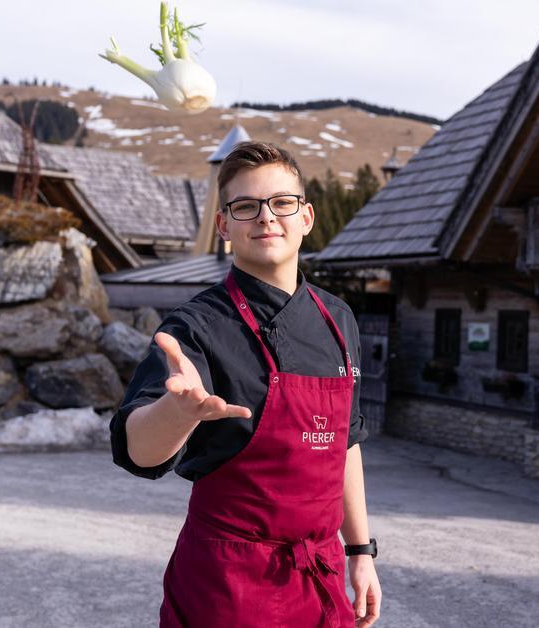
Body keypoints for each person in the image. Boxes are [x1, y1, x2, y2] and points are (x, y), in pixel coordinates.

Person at [110, 141, 382, 627]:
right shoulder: (194, 327)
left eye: (282, 202)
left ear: (306, 217)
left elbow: (344, 441)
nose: (266, 217)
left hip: (320, 574)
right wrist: (177, 414)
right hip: (228, 583)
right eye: (246, 207)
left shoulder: (339, 319)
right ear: (223, 226)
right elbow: (138, 451)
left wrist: (360, 551)